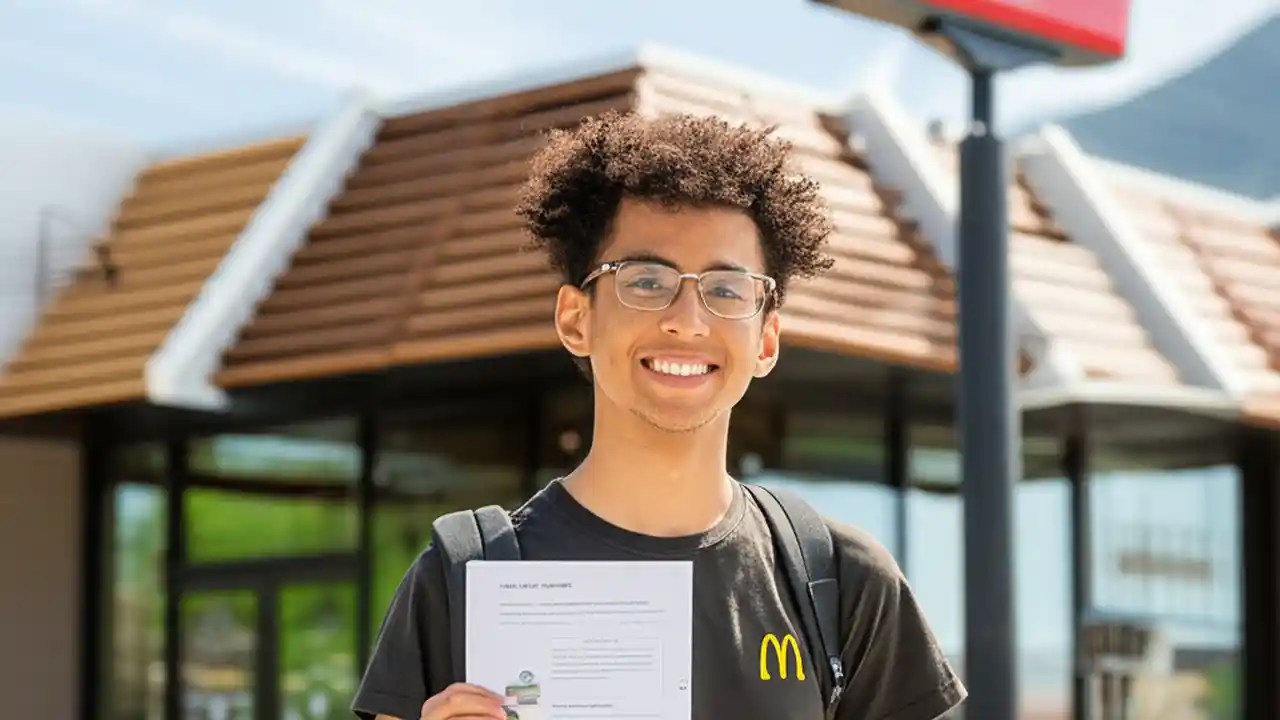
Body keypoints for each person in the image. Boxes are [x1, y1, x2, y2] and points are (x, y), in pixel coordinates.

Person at [351, 111, 967, 720]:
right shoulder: (463, 578)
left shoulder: (841, 580)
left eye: (726, 290)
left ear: (766, 341)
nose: (687, 319)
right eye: (646, 281)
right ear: (576, 320)